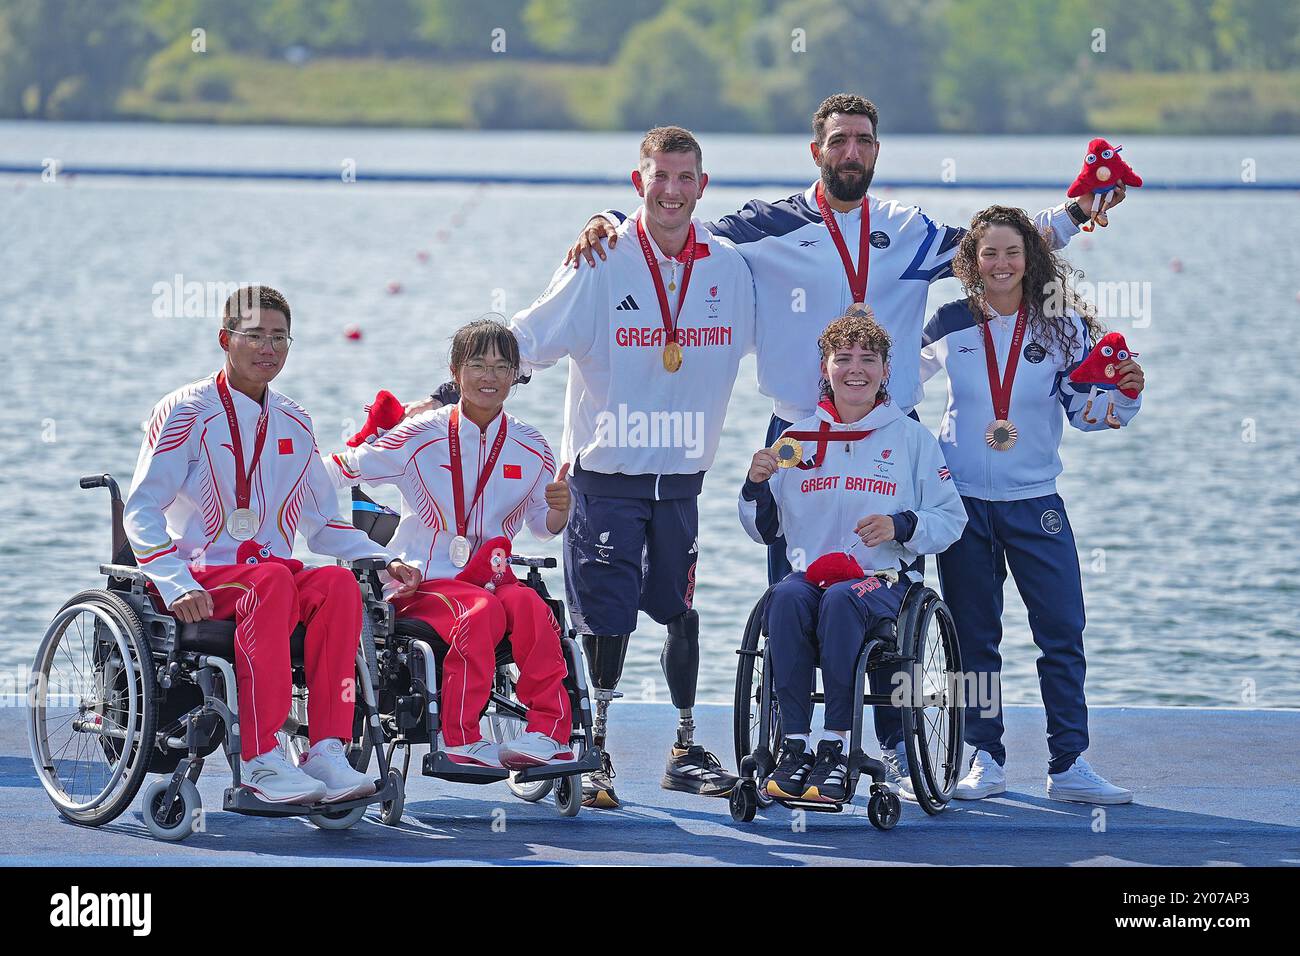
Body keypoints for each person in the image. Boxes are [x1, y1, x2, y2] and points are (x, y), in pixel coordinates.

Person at [564, 92, 1123, 589]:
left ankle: (891, 701)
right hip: (801, 427)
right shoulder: (768, 225)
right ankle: (788, 703)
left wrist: (1077, 211)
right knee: (794, 591)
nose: (850, 152)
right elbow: (674, 227)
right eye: (838, 141)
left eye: (862, 141)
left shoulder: (909, 230)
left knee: (891, 588)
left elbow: (1001, 248)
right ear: (816, 151)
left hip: (890, 429)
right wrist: (609, 219)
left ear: (877, 151)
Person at [407, 126, 757, 809]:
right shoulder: (599, 259)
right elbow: (526, 341)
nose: (673, 191)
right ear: (638, 184)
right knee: (605, 620)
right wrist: (447, 395)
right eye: (660, 177)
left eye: (686, 178)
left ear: (703, 187)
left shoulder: (730, 267)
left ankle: (684, 746)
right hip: (605, 477)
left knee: (680, 608)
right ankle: (594, 748)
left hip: (683, 477)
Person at [124, 285, 422, 806]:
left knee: (334, 583)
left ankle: (327, 748)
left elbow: (321, 523)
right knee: (274, 578)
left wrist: (383, 558)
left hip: (268, 576)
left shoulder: (295, 420)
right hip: (202, 575)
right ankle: (260, 760)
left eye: (280, 338)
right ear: (224, 339)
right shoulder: (185, 411)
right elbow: (141, 510)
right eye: (255, 335)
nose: (269, 348)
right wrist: (173, 582)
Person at [919, 205, 1145, 804]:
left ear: (1031, 258)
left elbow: (1088, 410)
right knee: (974, 638)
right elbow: (889, 391)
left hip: (1035, 501)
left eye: (1012, 252)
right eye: (988, 253)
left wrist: (1124, 397)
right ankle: (982, 757)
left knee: (1062, 632)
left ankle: (1069, 764)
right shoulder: (945, 322)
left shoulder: (1061, 326)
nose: (1001, 264)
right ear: (970, 260)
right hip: (962, 505)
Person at [325, 319, 576, 769]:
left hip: (492, 577)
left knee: (534, 609)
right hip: (420, 581)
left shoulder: (532, 446)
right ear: (456, 370)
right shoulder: (420, 433)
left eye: (502, 367)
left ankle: (550, 732)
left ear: (516, 375)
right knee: (481, 613)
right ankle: (461, 737)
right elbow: (342, 468)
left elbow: (542, 526)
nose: (489, 376)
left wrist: (560, 508)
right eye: (478, 364)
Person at [739, 309, 966, 803]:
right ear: (825, 368)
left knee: (844, 600)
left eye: (869, 359)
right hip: (812, 578)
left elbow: (952, 520)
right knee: (783, 598)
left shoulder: (911, 439)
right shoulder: (795, 440)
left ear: (887, 371)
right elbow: (764, 530)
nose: (855, 369)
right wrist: (755, 487)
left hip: (882, 581)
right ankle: (795, 745)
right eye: (843, 358)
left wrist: (901, 524)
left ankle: (837, 746)